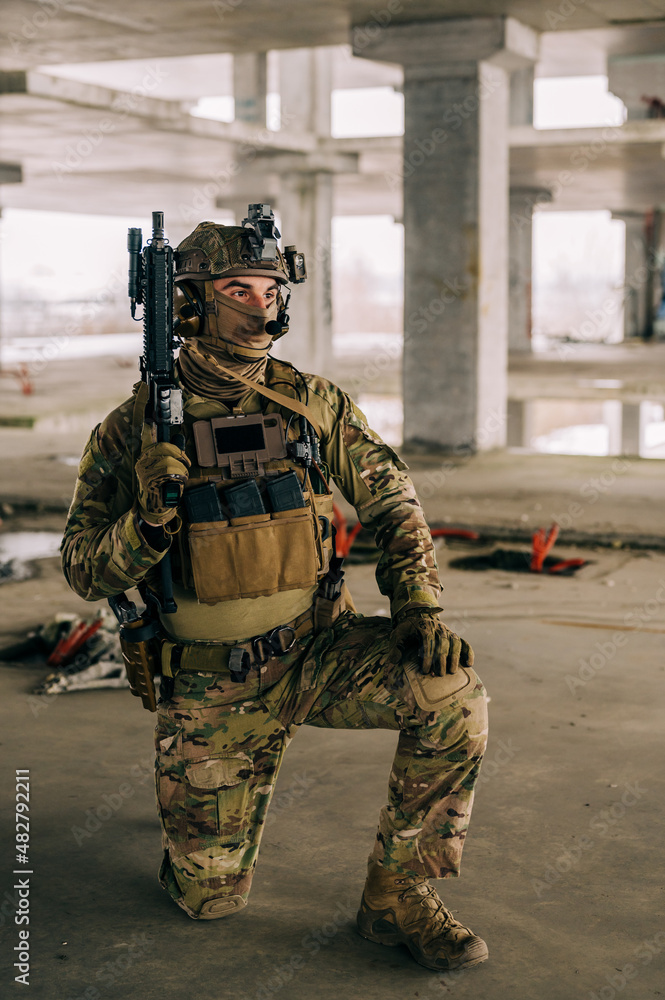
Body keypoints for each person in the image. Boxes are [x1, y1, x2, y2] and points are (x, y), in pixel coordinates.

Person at [61, 211, 489, 973]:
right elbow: (84, 568)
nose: (261, 305)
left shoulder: (313, 402)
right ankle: (193, 835)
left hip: (317, 649)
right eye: (237, 288)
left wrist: (419, 607)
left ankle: (397, 898)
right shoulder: (129, 432)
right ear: (190, 304)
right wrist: (148, 518)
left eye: (268, 287)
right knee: (209, 901)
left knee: (449, 692)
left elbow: (393, 503)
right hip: (209, 681)